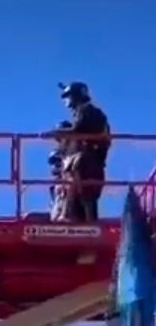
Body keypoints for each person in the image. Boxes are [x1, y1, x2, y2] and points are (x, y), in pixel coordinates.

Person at [53, 82, 111, 222]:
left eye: (68, 96)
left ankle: (91, 228)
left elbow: (78, 130)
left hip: (87, 165)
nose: (65, 100)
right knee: (82, 203)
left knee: (87, 199)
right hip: (89, 166)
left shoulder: (87, 111)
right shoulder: (89, 112)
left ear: (76, 96)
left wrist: (57, 132)